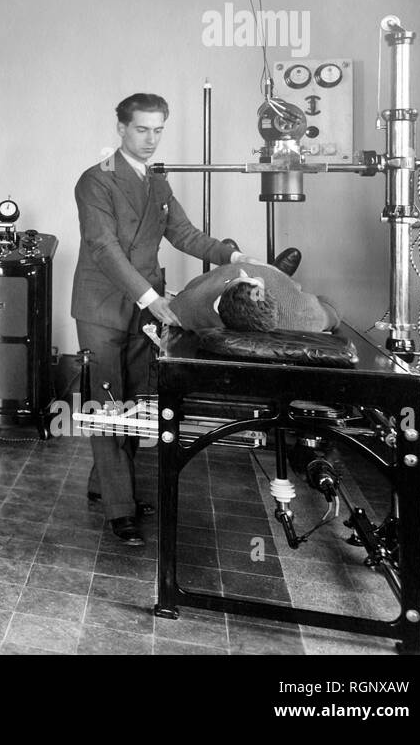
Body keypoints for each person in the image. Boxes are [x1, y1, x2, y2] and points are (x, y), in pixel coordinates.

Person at [72, 93, 262, 545]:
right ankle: (121, 509)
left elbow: (182, 233)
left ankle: (106, 485)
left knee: (136, 403)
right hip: (104, 304)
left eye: (158, 129)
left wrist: (232, 256)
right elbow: (103, 248)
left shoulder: (157, 183)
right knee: (106, 404)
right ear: (120, 128)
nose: (151, 139)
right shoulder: (94, 181)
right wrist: (149, 297)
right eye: (142, 129)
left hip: (146, 305)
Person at [169, 262, 340, 333]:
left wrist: (233, 274)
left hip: (224, 272)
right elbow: (333, 308)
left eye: (243, 276)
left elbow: (185, 292)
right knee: (278, 277)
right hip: (279, 282)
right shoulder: (302, 314)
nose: (243, 272)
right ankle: (277, 268)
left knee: (234, 269)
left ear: (219, 300)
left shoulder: (191, 305)